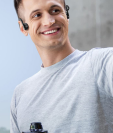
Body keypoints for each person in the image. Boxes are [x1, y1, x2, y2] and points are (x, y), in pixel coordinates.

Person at [10, 0, 113, 132]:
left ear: (67, 15)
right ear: (23, 27)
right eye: (37, 15)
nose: (49, 21)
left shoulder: (101, 64)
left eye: (55, 10)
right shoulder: (20, 95)